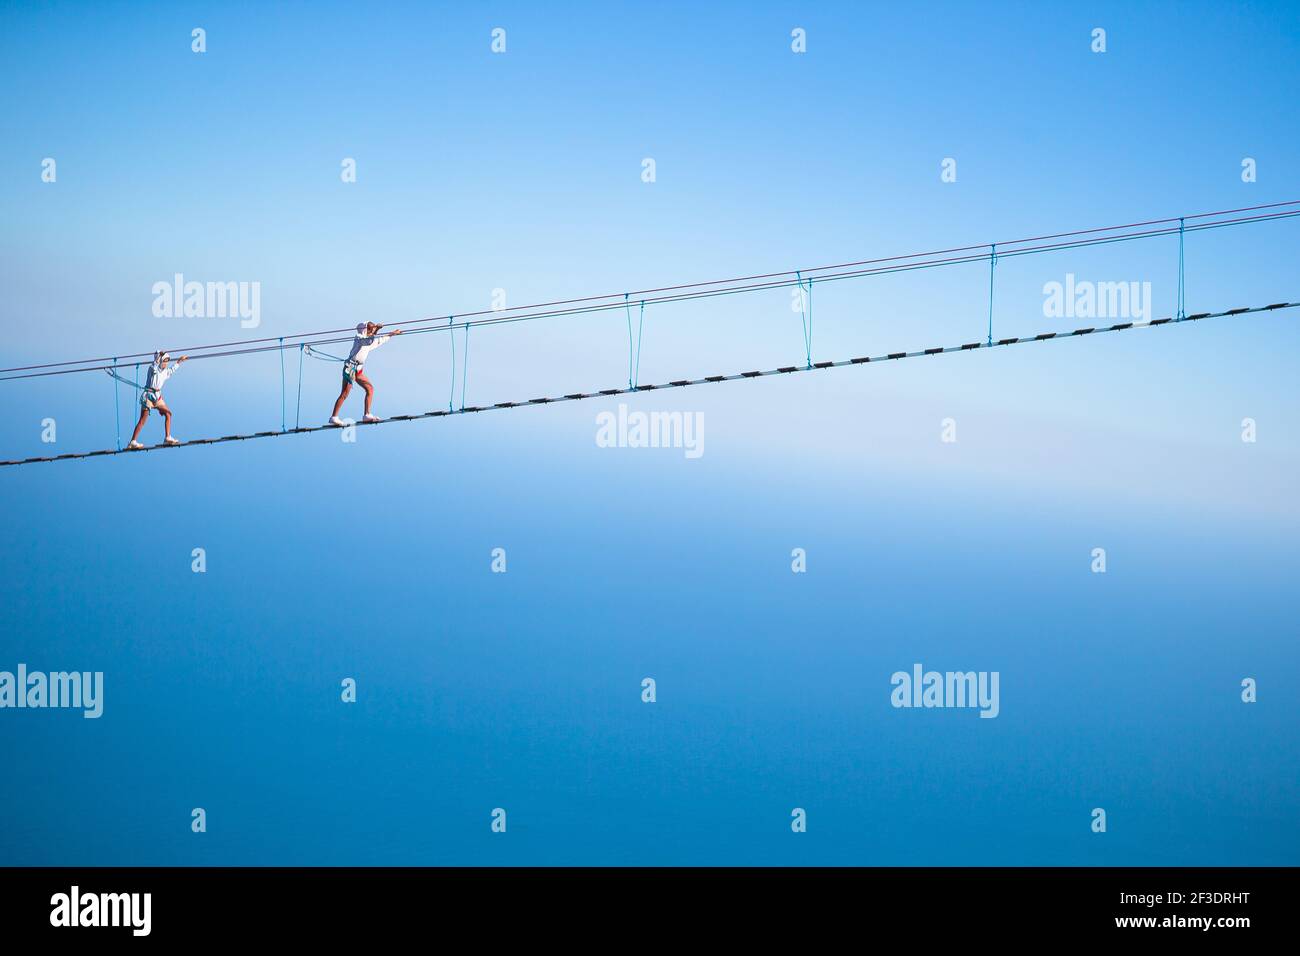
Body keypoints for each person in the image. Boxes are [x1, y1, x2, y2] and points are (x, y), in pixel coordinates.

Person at [329, 322, 403, 426]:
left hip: (358, 369)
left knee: (370, 389)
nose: (371, 331)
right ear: (364, 330)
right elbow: (368, 341)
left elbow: (379, 340)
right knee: (345, 394)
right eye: (369, 329)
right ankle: (334, 417)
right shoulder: (359, 338)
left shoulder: (368, 340)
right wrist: (376, 330)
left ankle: (367, 415)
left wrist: (393, 333)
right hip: (350, 368)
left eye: (371, 329)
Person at [126, 351, 188, 449]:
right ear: (160, 361)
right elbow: (155, 363)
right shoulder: (152, 368)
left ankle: (167, 438)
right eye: (164, 361)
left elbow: (172, 369)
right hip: (148, 395)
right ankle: (132, 442)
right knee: (142, 420)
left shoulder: (165, 372)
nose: (166, 363)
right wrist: (159, 356)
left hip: (157, 396)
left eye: (167, 361)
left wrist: (179, 361)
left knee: (168, 414)